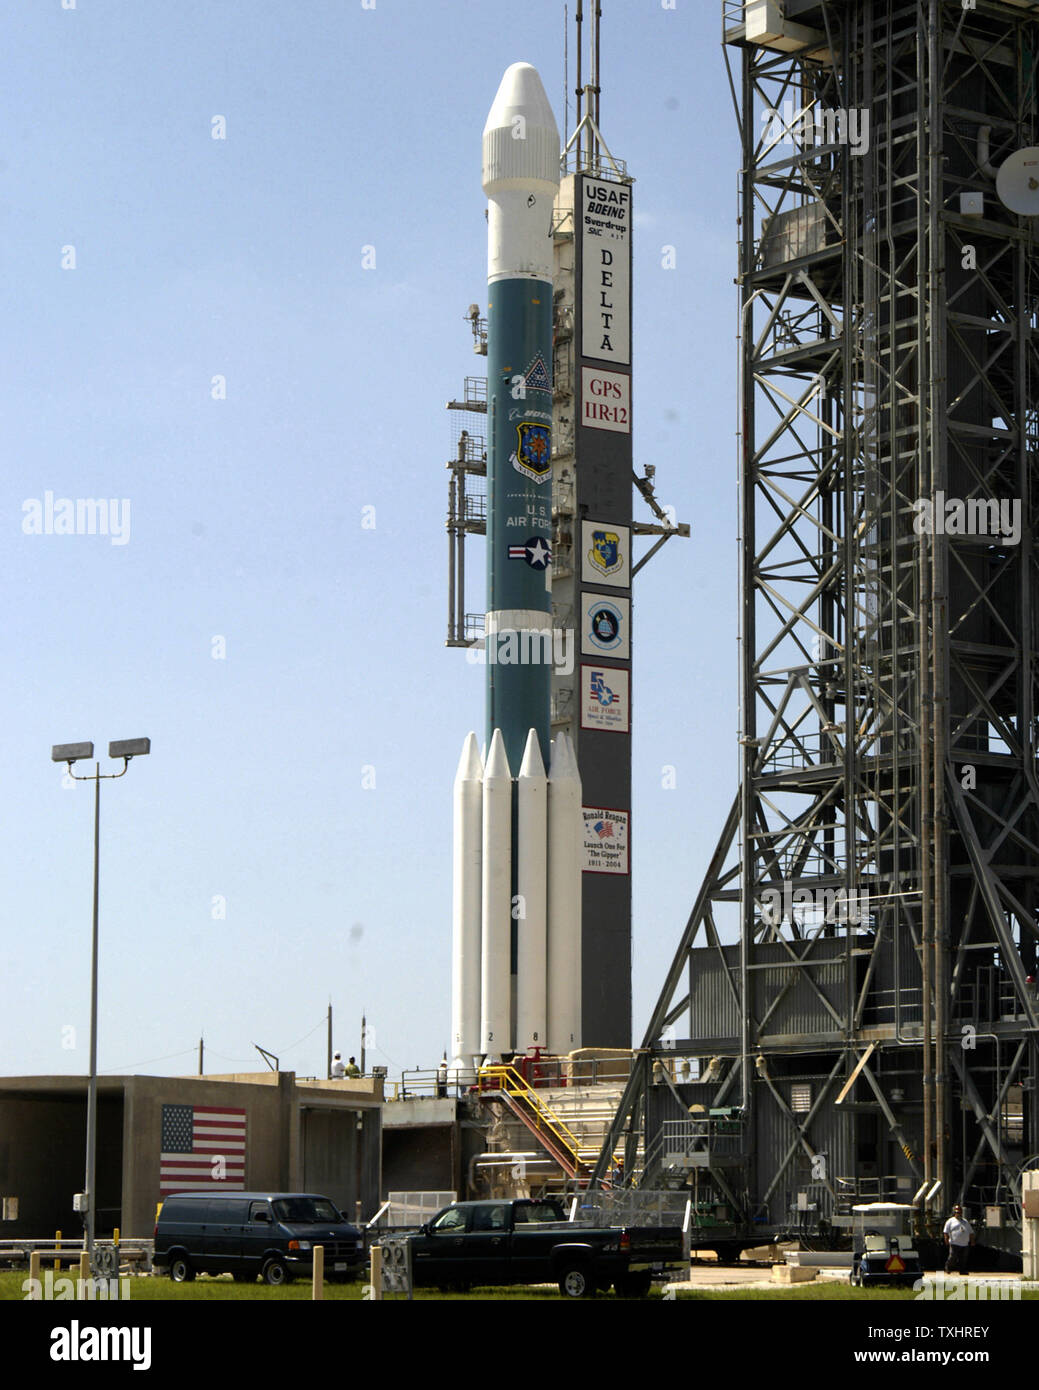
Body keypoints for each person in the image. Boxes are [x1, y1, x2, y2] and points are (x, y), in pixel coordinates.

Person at [943, 1203, 975, 1275]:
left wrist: (972, 1241)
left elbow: (971, 1232)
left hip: (964, 1243)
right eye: (957, 1212)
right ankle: (948, 1267)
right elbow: (946, 1231)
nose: (958, 1213)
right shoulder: (950, 1221)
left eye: (959, 1212)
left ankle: (962, 1270)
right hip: (954, 1243)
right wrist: (946, 1239)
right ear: (954, 1212)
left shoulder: (965, 1221)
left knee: (963, 1258)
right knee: (952, 1256)